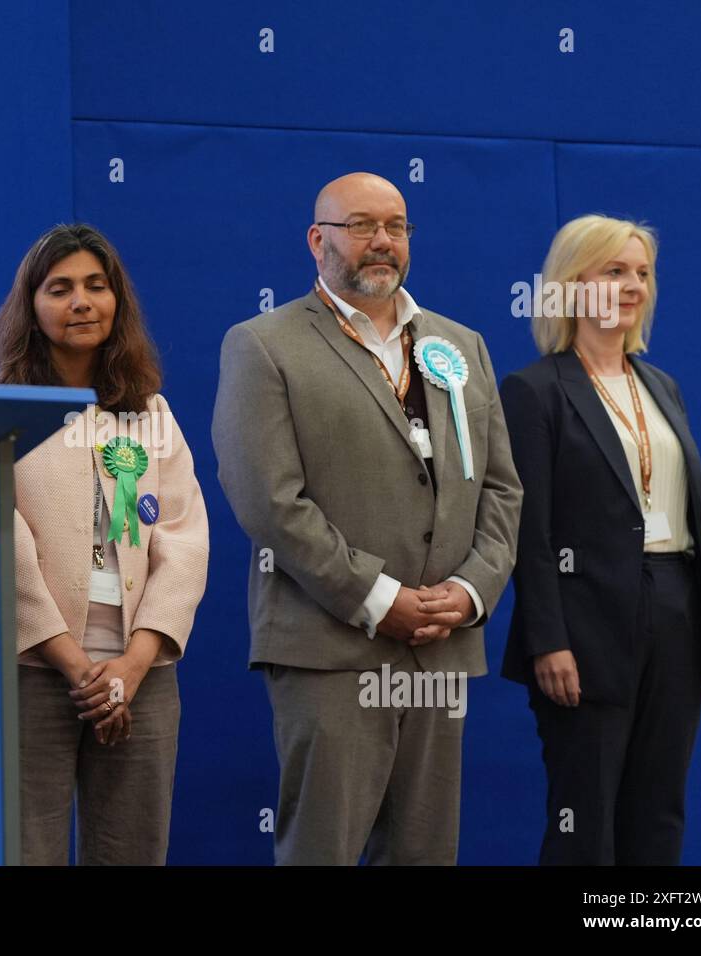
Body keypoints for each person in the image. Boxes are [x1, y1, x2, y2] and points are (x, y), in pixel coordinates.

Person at [212, 172, 522, 865]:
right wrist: (379, 599)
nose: (381, 241)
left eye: (397, 225)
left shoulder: (461, 345)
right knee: (323, 849)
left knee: (425, 853)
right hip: (330, 650)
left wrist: (470, 592)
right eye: (360, 226)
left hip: (441, 646)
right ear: (316, 240)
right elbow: (268, 499)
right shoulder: (264, 345)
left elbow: (503, 489)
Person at [500, 214, 701, 865]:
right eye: (615, 270)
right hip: (585, 622)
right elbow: (531, 531)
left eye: (642, 272)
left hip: (676, 612)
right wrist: (549, 638)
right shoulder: (535, 391)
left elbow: (693, 516)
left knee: (660, 811)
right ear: (573, 284)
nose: (633, 284)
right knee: (587, 820)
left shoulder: (663, 387)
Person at [0, 223, 209, 865]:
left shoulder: (152, 412)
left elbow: (183, 539)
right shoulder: (1, 407)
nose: (80, 302)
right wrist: (77, 668)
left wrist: (131, 667)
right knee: (26, 851)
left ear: (118, 301)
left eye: (95, 286)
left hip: (143, 675)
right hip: (35, 671)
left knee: (132, 852)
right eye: (59, 289)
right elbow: (3, 541)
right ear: (31, 306)